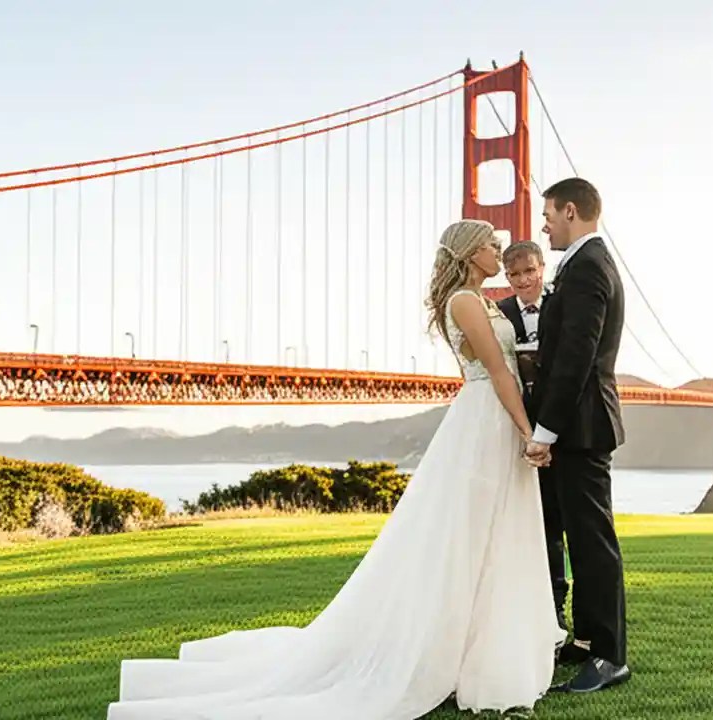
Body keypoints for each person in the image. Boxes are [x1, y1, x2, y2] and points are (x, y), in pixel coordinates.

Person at [106, 219, 565, 720]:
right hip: (487, 423)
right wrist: (529, 433)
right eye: (491, 244)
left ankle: (478, 651)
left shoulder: (481, 299)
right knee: (472, 536)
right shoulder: (464, 301)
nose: (499, 249)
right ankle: (458, 654)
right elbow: (496, 371)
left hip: (492, 419)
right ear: (469, 252)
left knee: (496, 535)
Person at [524, 177, 630, 694]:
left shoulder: (588, 268)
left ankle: (610, 656)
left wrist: (545, 430)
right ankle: (586, 640)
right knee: (579, 540)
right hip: (580, 427)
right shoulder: (583, 265)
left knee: (592, 543)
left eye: (547, 214)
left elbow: (576, 358)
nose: (542, 224)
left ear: (571, 211)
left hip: (581, 429)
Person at [495, 241, 568, 631]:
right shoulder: (499, 313)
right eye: (514, 274)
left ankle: (557, 610)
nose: (524, 280)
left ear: (542, 268)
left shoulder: (562, 305)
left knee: (552, 524)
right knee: (521, 524)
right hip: (515, 431)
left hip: (558, 432)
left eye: (529, 271)